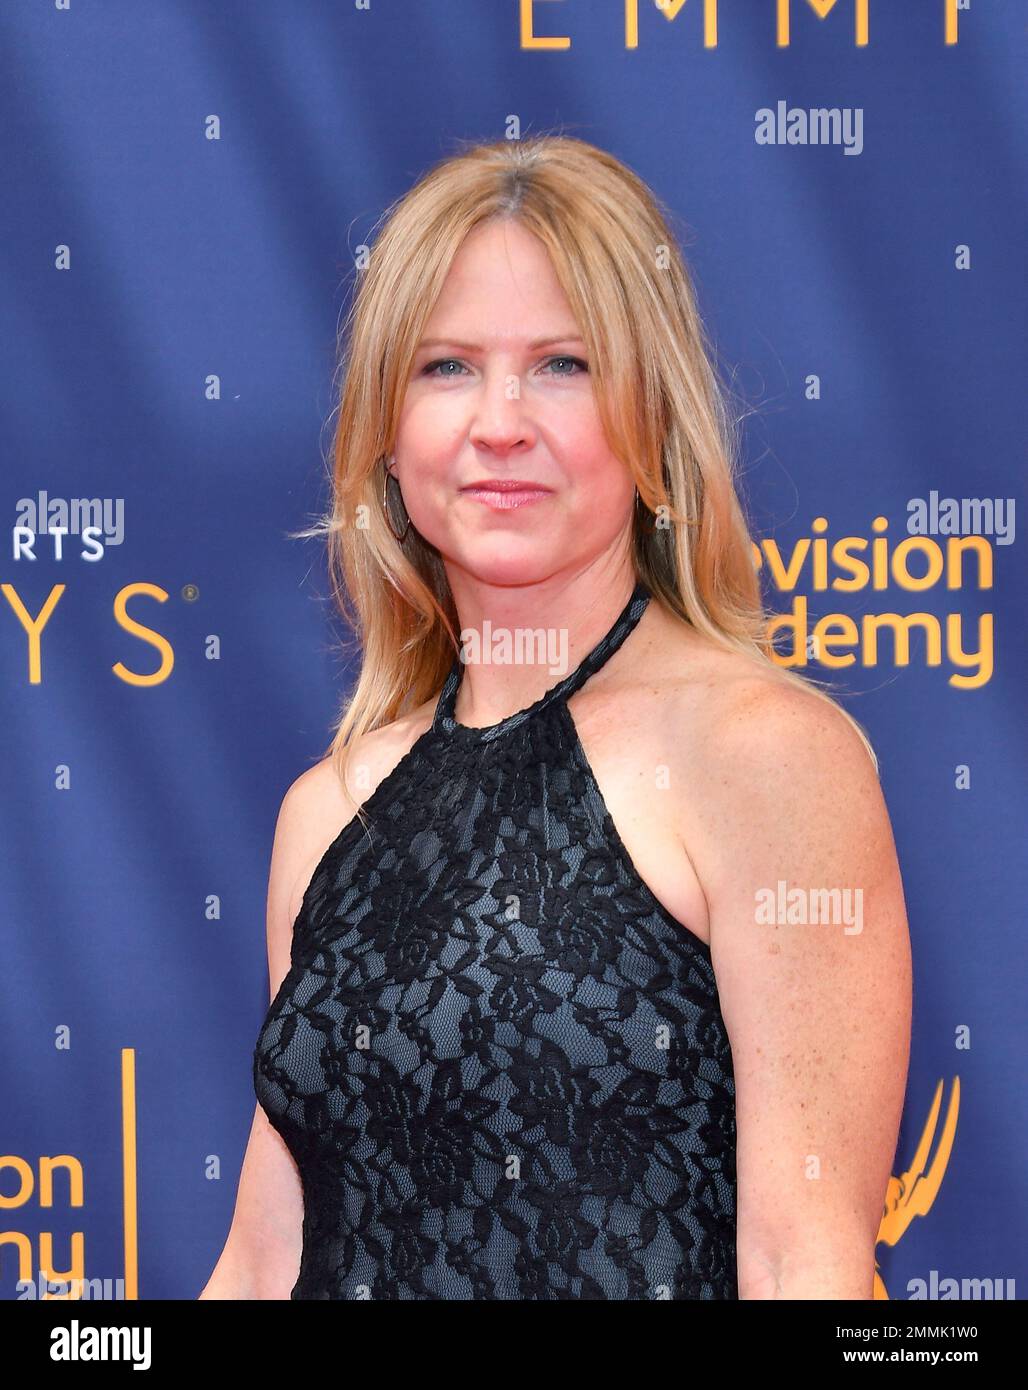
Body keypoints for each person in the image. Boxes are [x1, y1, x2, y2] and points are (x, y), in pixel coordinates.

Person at [200, 135, 911, 1300]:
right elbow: (268, 1256)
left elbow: (805, 1265)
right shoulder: (327, 813)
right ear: (385, 431)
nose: (499, 422)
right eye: (444, 368)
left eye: (562, 365)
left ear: (654, 418)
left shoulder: (760, 755)